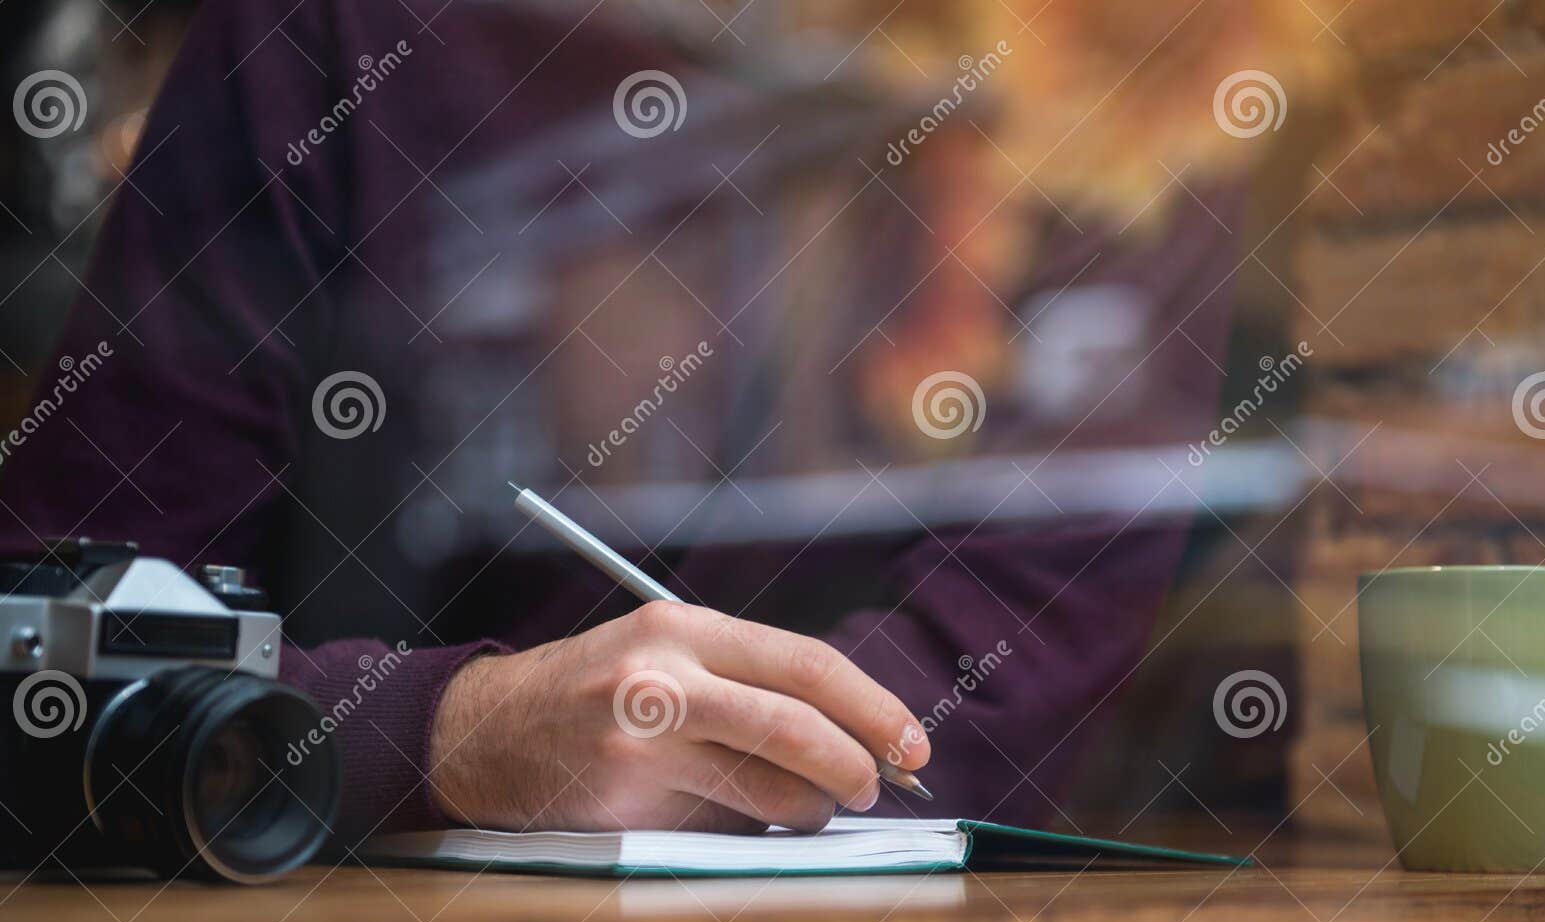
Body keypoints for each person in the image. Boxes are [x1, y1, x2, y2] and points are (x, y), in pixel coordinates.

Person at [0, 0, 1238, 846]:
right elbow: (55, 648)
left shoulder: (1128, 71)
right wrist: (444, 736)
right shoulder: (342, 31)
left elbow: (998, 681)